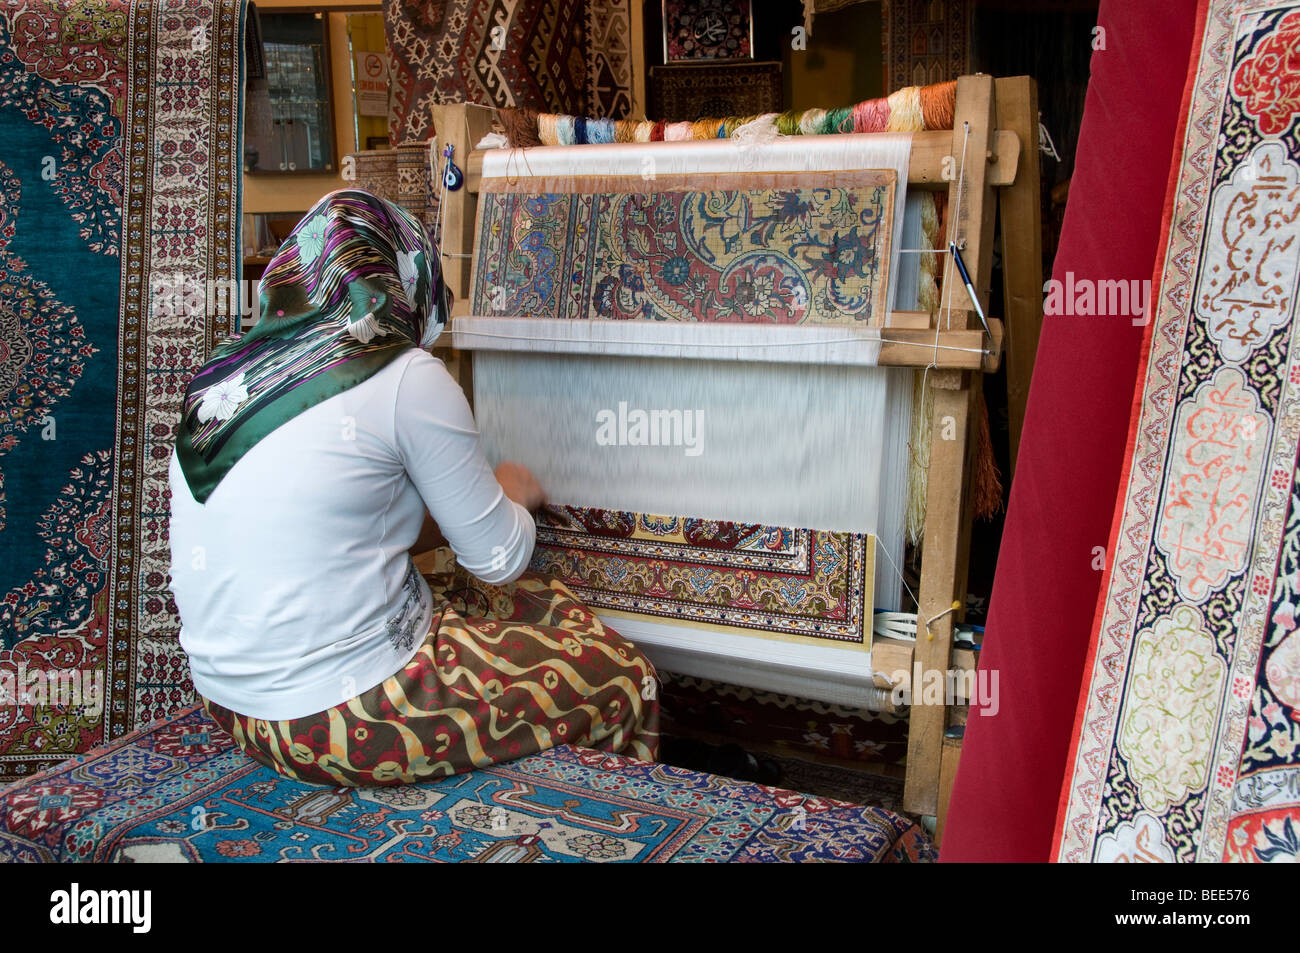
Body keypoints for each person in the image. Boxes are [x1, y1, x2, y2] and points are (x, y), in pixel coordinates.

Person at [168, 189, 659, 786]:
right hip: (342, 716)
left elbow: (338, 517)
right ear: (401, 279)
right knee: (621, 673)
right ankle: (597, 824)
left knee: (470, 596)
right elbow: (500, 559)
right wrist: (512, 491)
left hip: (233, 708)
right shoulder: (406, 375)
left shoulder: (222, 382)